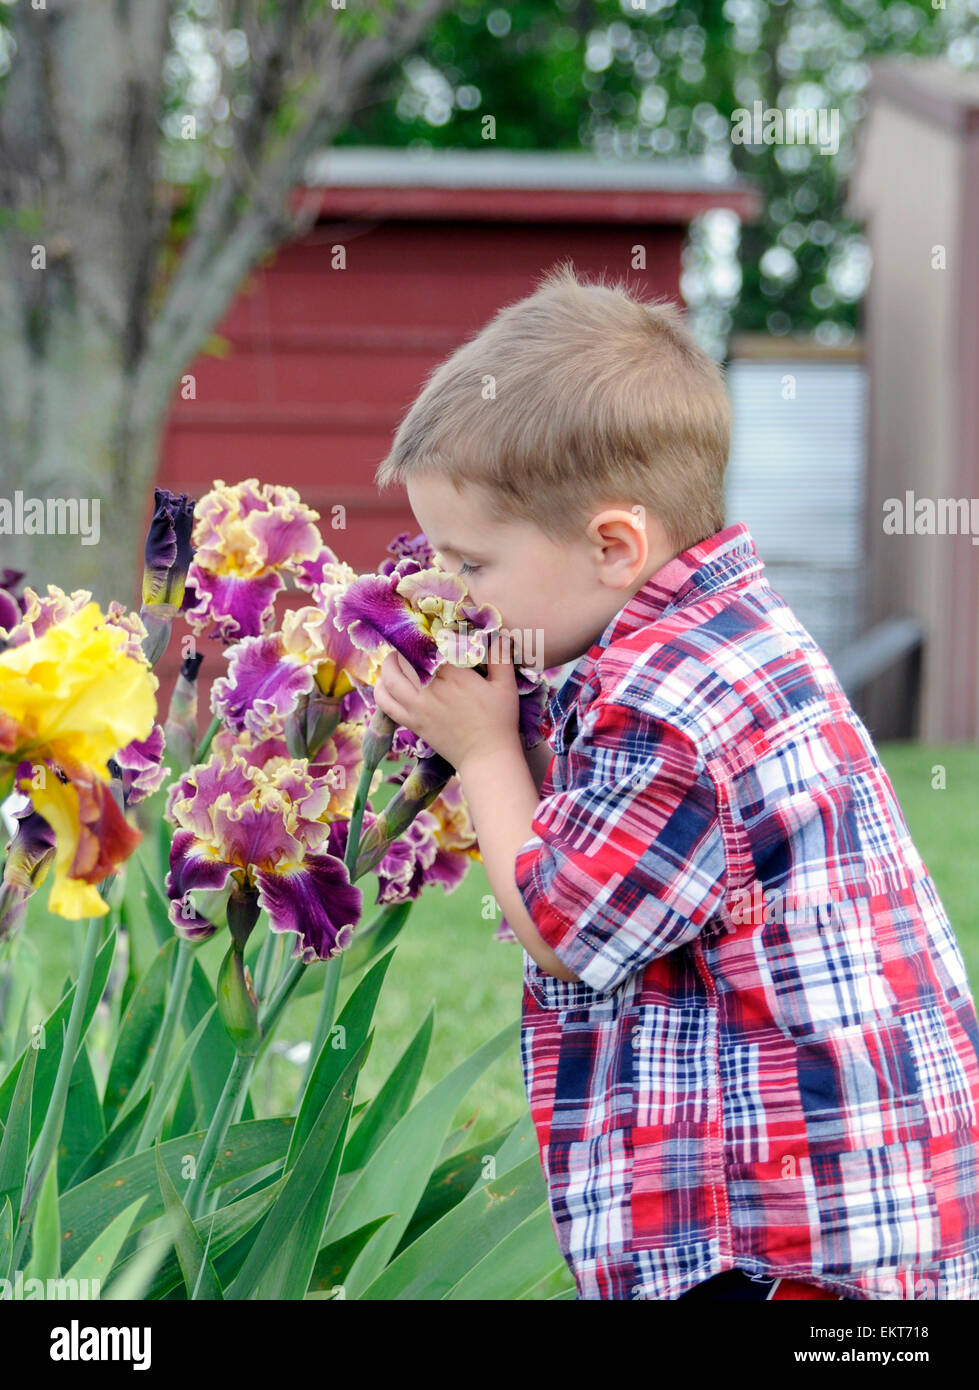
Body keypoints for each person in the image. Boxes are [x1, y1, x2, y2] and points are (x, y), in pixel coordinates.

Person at [369, 261, 979, 1301]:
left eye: (472, 566)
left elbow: (564, 929)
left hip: (782, 1242)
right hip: (865, 1205)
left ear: (613, 543)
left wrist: (481, 753)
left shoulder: (666, 704)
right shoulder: (726, 633)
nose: (454, 595)